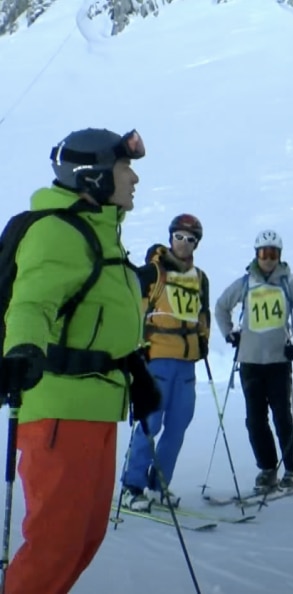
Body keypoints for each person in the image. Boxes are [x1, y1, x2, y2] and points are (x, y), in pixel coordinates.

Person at [0, 128, 159, 594]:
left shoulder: (101, 231)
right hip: (61, 410)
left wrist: (132, 367)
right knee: (55, 545)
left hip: (97, 405)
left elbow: (97, 316)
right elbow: (31, 304)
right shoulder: (57, 231)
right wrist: (23, 350)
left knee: (84, 538)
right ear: (94, 177)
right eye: (124, 168)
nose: (133, 178)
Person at [121, 213, 211, 511]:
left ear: (196, 244)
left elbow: (203, 315)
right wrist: (134, 349)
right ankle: (133, 485)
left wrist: (204, 341)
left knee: (178, 425)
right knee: (150, 422)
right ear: (171, 237)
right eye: (179, 237)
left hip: (186, 363)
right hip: (156, 358)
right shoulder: (154, 272)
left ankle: (160, 484)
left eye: (190, 239)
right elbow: (135, 309)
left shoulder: (200, 278)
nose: (184, 243)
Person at [214, 229, 293, 492]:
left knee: (282, 417)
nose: (268, 259)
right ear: (256, 255)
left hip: (278, 362)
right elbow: (221, 307)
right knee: (255, 420)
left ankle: (292, 468)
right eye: (263, 253)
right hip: (250, 362)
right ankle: (268, 469)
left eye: (273, 254)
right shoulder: (246, 283)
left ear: (279, 256)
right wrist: (229, 333)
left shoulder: (289, 284)